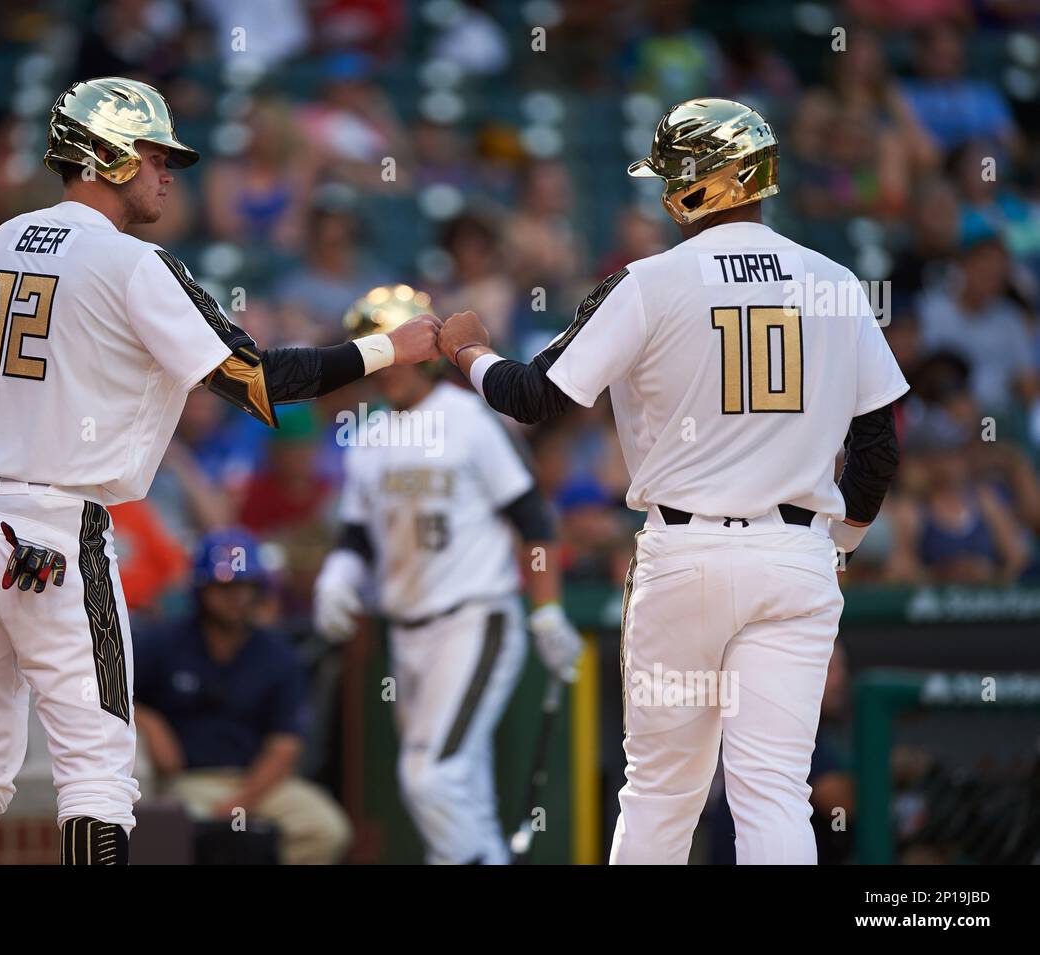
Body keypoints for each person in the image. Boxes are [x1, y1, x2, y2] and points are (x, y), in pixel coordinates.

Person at [0, 77, 440, 866]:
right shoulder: (132, 262)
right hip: (51, 528)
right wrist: (392, 348)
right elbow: (255, 380)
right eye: (156, 157)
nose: (167, 174)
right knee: (98, 772)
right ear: (110, 157)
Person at [438, 98, 909, 864]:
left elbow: (534, 397)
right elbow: (879, 446)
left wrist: (466, 354)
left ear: (691, 184)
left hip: (685, 554)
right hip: (797, 557)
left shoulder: (650, 282)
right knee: (774, 793)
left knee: (661, 791)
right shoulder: (833, 280)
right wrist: (841, 544)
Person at [312, 284, 583, 864]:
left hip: (473, 618)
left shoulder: (468, 419)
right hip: (406, 629)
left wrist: (548, 609)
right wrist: (338, 574)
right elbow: (357, 535)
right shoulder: (368, 435)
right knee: (460, 787)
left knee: (430, 776)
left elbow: (534, 522)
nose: (387, 363)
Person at [133, 530, 351, 864]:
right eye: (223, 587)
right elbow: (116, 696)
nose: (235, 597)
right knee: (164, 832)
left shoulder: (278, 654)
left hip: (258, 782)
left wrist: (239, 803)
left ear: (258, 589)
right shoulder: (165, 642)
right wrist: (147, 719)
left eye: (244, 586)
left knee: (326, 829)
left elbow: (286, 746)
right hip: (186, 781)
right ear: (202, 589)